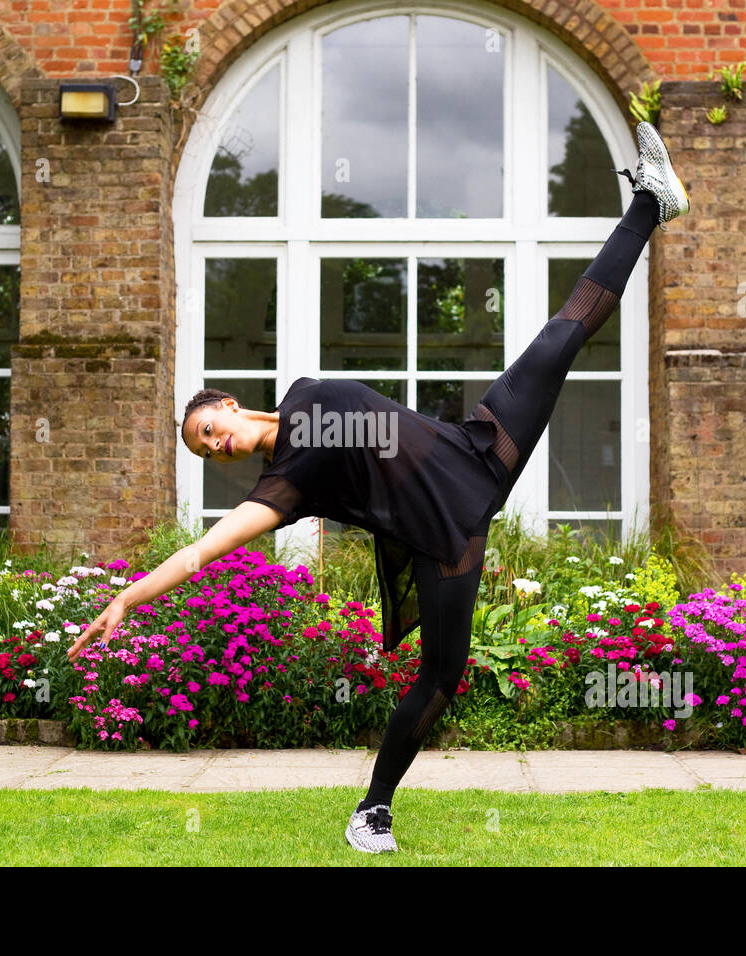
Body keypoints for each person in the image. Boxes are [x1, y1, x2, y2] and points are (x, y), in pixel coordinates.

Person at [67, 121, 690, 853]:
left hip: (476, 450)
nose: (217, 443)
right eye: (208, 450)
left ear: (229, 404)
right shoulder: (283, 487)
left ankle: (650, 202)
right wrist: (124, 600)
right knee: (443, 677)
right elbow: (201, 553)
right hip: (445, 535)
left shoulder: (302, 390)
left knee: (560, 337)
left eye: (211, 428)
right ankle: (374, 809)